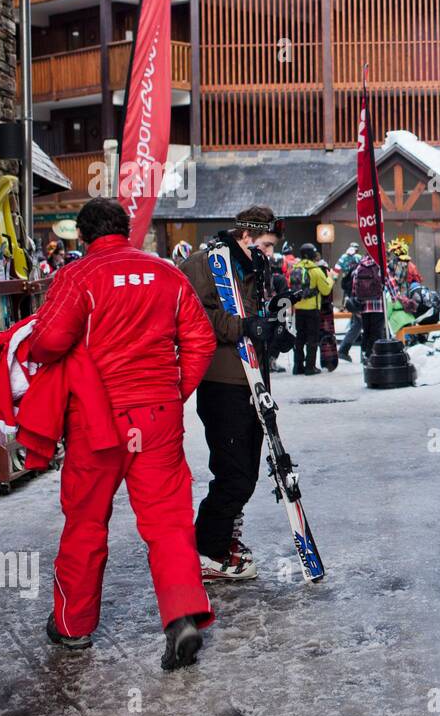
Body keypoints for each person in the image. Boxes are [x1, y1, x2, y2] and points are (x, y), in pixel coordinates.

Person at [30, 198, 217, 671]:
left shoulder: (76, 277)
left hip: (97, 420)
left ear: (85, 234)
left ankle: (72, 626)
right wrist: (174, 392)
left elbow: (49, 343)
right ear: (126, 228)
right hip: (157, 417)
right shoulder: (165, 275)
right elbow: (200, 340)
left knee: (86, 520)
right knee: (169, 521)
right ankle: (182, 619)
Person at [179, 206, 282, 582]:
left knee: (246, 472)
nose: (270, 252)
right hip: (221, 382)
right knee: (234, 473)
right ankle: (207, 548)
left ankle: (222, 537)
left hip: (251, 380)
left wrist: (273, 334)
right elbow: (189, 313)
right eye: (266, 244)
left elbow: (255, 318)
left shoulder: (253, 267)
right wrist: (242, 326)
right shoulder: (205, 264)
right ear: (247, 235)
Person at [292, 242, 334, 375]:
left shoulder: (295, 268)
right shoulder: (315, 271)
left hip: (298, 308)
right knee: (312, 338)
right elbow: (325, 290)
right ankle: (310, 367)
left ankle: (297, 366)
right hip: (312, 309)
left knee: (300, 337)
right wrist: (331, 279)